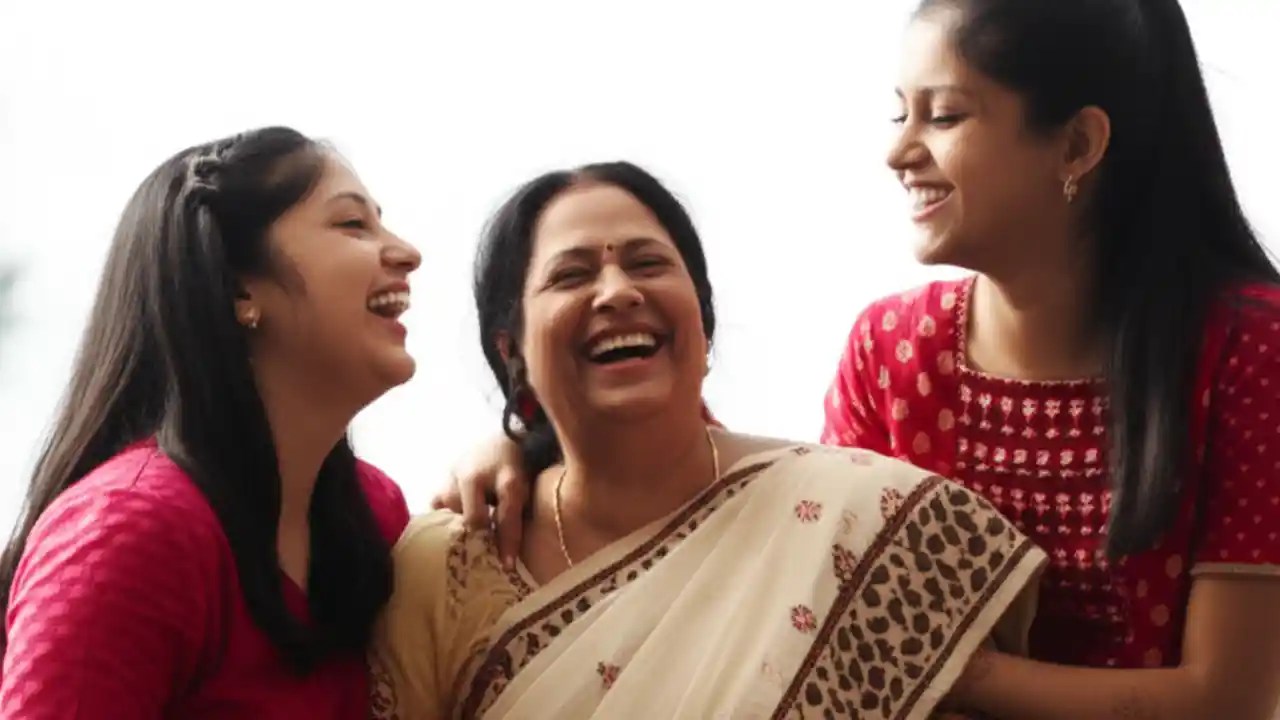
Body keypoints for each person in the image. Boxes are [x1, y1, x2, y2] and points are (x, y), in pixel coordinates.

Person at [438, 1, 1280, 718]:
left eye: (944, 117)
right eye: (898, 113)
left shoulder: (1247, 345)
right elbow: (775, 524)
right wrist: (530, 436)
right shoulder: (892, 349)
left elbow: (1231, 695)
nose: (898, 151)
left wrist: (958, 666)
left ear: (1076, 147)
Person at [371, 162, 1047, 719]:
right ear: (509, 348)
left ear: (702, 317)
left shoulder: (861, 523)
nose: (618, 291)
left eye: (647, 262)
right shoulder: (448, 567)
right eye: (571, 275)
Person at [0, 126, 421, 719]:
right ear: (235, 286)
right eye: (353, 225)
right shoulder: (128, 532)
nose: (407, 252)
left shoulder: (376, 515)